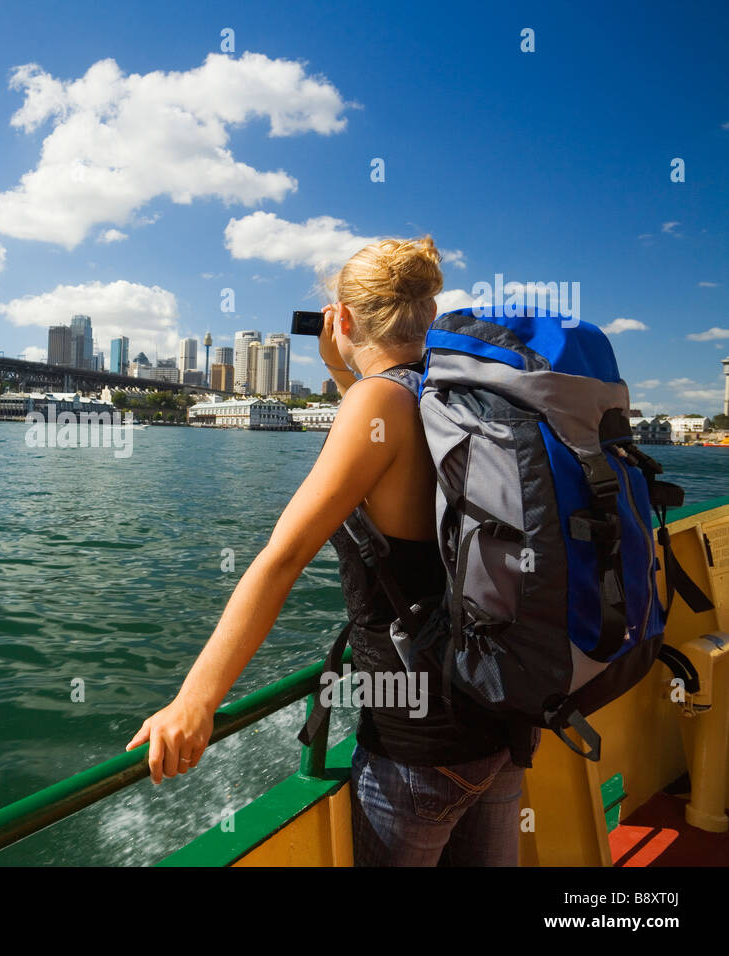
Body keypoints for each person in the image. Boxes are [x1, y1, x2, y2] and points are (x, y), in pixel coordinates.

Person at [125, 235, 537, 866]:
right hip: (502, 720)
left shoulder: (378, 403)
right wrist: (346, 370)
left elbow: (283, 557)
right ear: (428, 312)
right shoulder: (451, 392)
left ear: (342, 319)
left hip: (419, 745)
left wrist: (196, 700)